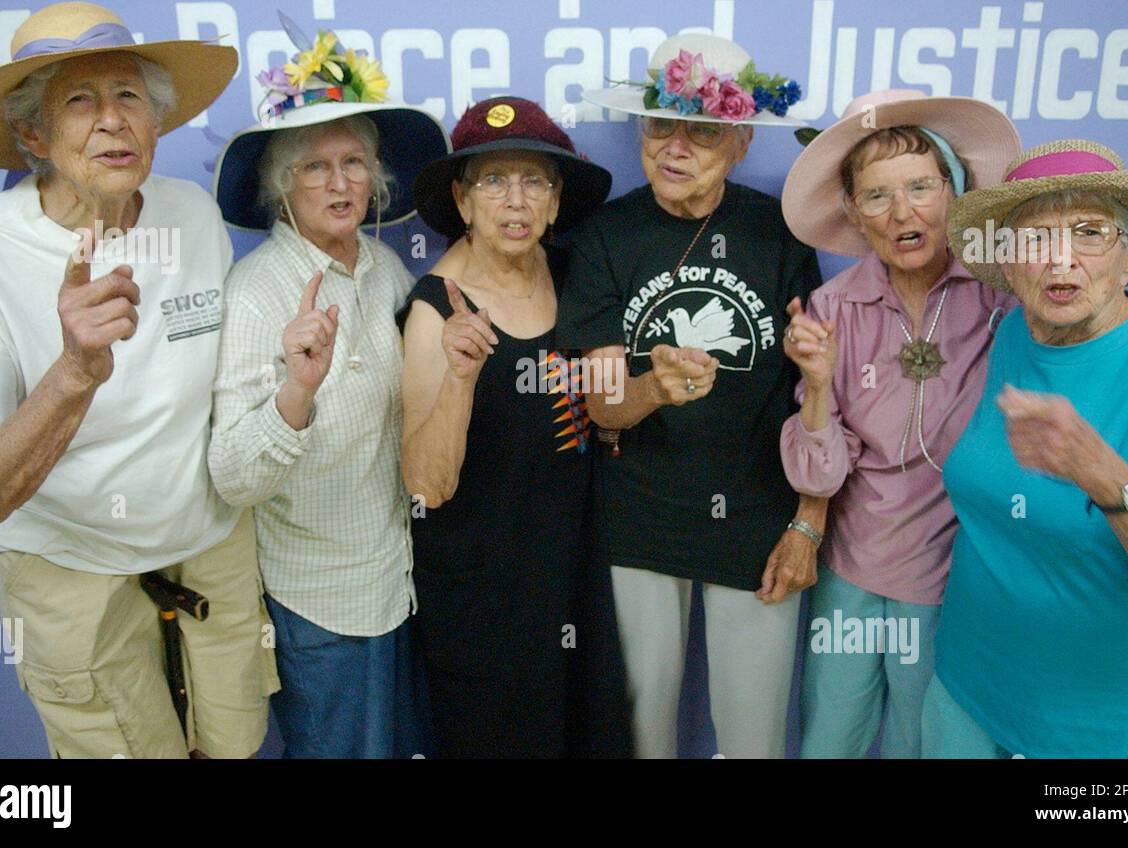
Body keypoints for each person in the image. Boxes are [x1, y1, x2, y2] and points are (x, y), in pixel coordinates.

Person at [0, 1, 275, 758]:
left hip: (208, 539)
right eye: (79, 101)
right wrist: (74, 373)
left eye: (128, 96)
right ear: (32, 135)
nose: (112, 121)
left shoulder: (193, 214)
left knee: (237, 744)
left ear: (156, 120)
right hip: (68, 562)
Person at [560, 34, 822, 758]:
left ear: (739, 140)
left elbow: (820, 397)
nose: (675, 146)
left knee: (754, 738)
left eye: (701, 129)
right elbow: (604, 405)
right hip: (639, 520)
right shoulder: (604, 237)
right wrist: (652, 387)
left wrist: (808, 521)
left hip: (757, 522)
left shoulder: (781, 232)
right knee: (639, 734)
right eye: (659, 124)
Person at [925, 139, 1128, 757]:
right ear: (1007, 264)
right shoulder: (1014, 331)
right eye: (1034, 239)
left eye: (1090, 233)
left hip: (1094, 729)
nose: (1061, 262)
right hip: (965, 686)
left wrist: (1109, 480)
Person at [209, 29, 449, 759]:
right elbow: (232, 474)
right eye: (314, 168)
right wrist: (297, 391)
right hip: (316, 600)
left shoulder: (385, 270)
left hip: (398, 584)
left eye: (352, 163)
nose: (339, 183)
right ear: (282, 187)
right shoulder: (256, 294)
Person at [777, 90, 1020, 758]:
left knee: (933, 745)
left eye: (920, 187)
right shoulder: (834, 305)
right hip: (853, 566)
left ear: (953, 190)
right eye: (878, 195)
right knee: (832, 738)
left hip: (955, 574)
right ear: (853, 211)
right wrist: (820, 387)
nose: (903, 212)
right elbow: (818, 471)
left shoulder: (1001, 297)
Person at [400, 97, 628, 757]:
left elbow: (605, 408)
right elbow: (425, 484)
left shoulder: (573, 274)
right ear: (463, 202)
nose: (516, 200)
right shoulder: (433, 311)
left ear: (557, 203)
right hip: (481, 598)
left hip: (573, 577)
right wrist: (461, 378)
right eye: (494, 181)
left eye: (535, 181)